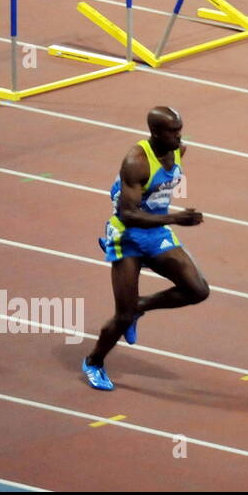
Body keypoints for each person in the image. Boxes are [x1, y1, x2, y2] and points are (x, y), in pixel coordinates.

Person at [83, 106, 210, 391]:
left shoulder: (178, 150)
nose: (179, 136)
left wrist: (166, 219)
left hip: (155, 232)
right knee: (122, 316)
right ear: (155, 133)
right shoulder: (136, 161)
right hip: (127, 235)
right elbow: (128, 214)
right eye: (173, 131)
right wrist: (176, 217)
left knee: (197, 290)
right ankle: (94, 362)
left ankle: (140, 306)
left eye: (180, 129)